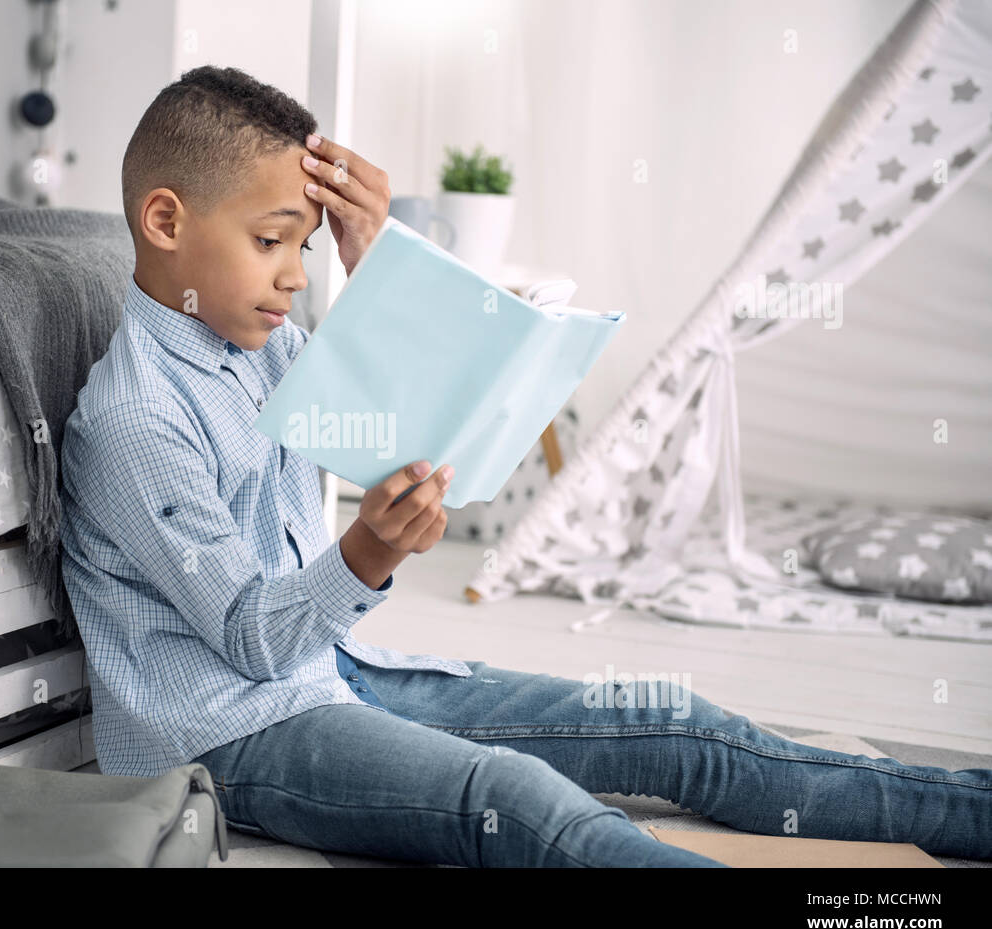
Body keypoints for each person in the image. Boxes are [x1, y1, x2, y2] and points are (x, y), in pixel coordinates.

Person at [57, 65, 992, 867]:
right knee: (511, 798)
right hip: (230, 732)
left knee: (662, 719)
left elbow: (387, 416)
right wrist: (367, 555)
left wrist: (379, 261)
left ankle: (970, 807)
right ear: (167, 221)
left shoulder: (263, 342)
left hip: (332, 670)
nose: (298, 274)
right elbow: (251, 640)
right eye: (271, 242)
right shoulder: (137, 418)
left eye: (302, 245)